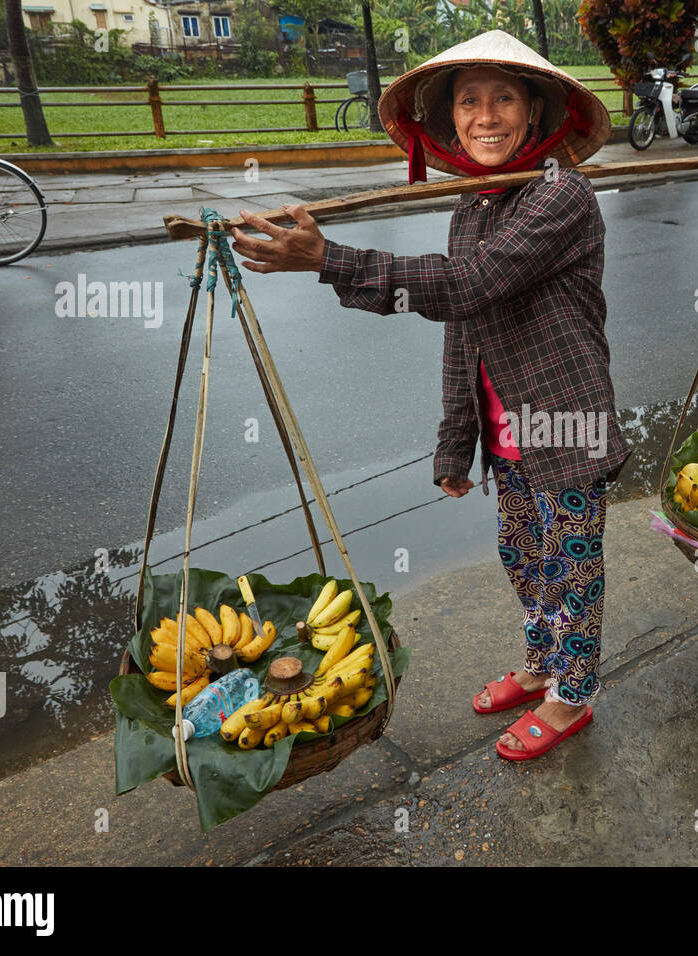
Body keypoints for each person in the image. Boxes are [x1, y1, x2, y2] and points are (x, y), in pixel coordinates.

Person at [229, 31, 630, 762]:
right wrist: (456, 442)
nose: (485, 116)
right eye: (468, 101)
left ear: (536, 114)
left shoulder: (560, 194)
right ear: (449, 121)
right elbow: (463, 328)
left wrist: (329, 259)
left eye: (503, 98)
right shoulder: (473, 206)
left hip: (566, 427)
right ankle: (541, 663)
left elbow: (470, 283)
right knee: (523, 556)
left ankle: (572, 696)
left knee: (572, 567)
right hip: (507, 434)